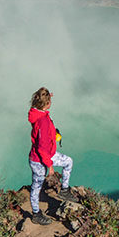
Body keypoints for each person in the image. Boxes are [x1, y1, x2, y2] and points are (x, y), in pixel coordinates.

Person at [27, 87, 76, 224]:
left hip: (44, 155)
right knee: (37, 186)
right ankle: (36, 214)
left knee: (68, 162)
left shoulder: (37, 113)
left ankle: (64, 190)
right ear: (46, 104)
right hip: (40, 159)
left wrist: (47, 98)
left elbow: (39, 106)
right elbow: (42, 148)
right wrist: (50, 166)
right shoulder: (42, 122)